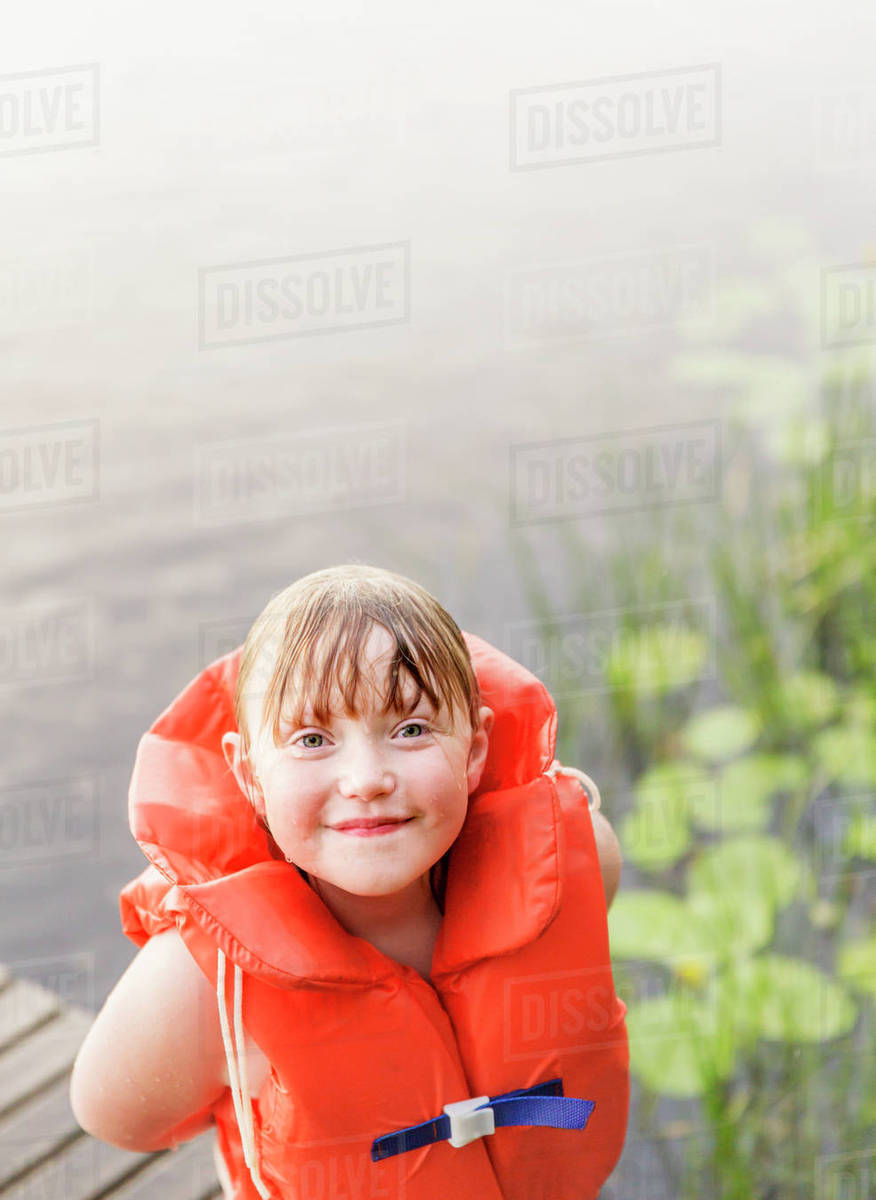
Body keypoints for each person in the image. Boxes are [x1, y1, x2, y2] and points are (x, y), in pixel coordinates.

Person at [70, 564, 629, 1199]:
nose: (366, 779)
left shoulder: (575, 863)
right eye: (312, 739)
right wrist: (251, 1080)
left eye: (411, 729)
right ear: (250, 778)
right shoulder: (206, 979)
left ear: (475, 750)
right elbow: (113, 1113)